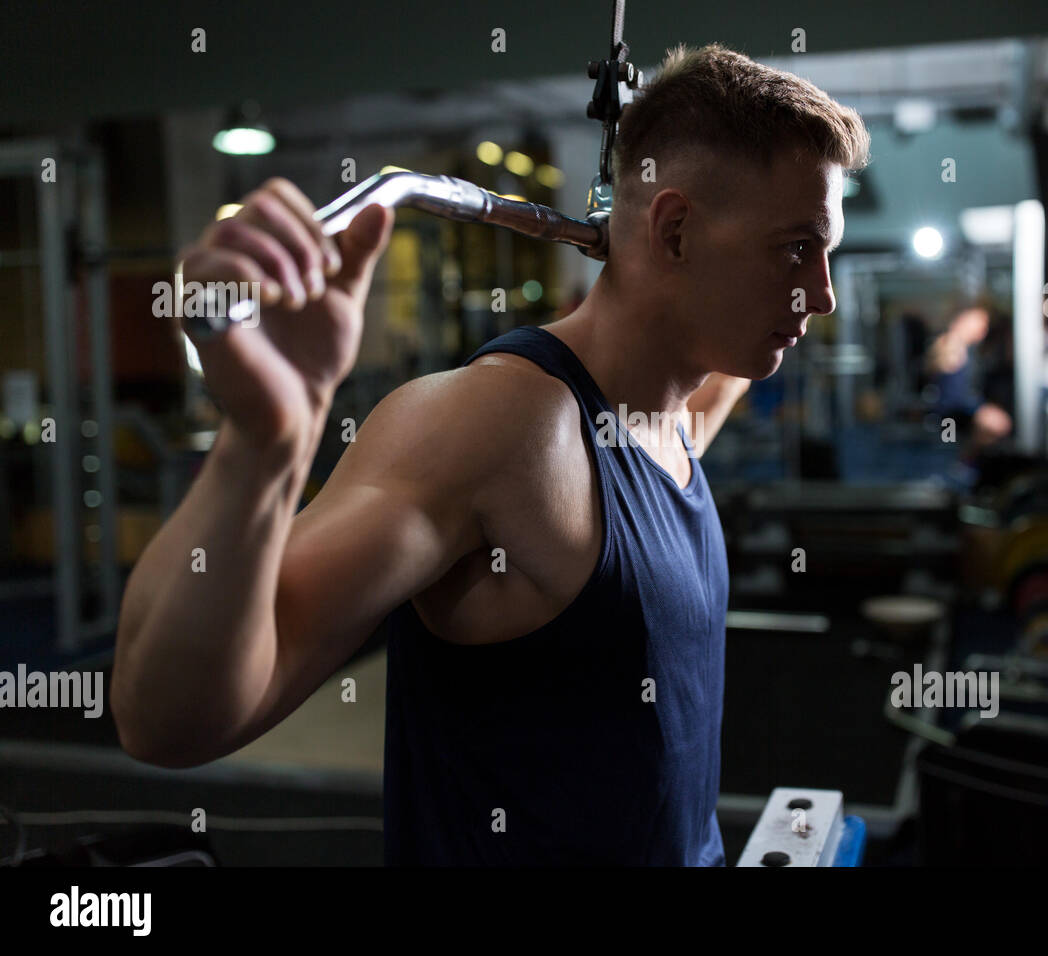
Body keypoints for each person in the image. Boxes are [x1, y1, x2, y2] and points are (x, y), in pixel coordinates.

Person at [110, 42, 870, 865]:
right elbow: (167, 723)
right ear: (675, 229)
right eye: (796, 248)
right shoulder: (498, 427)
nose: (822, 293)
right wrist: (262, 447)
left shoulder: (676, 406)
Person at [925, 301, 1012, 451]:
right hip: (950, 416)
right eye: (980, 322)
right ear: (964, 319)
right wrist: (980, 410)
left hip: (959, 411)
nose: (984, 329)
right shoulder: (952, 347)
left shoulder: (965, 348)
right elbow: (953, 397)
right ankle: (966, 462)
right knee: (995, 423)